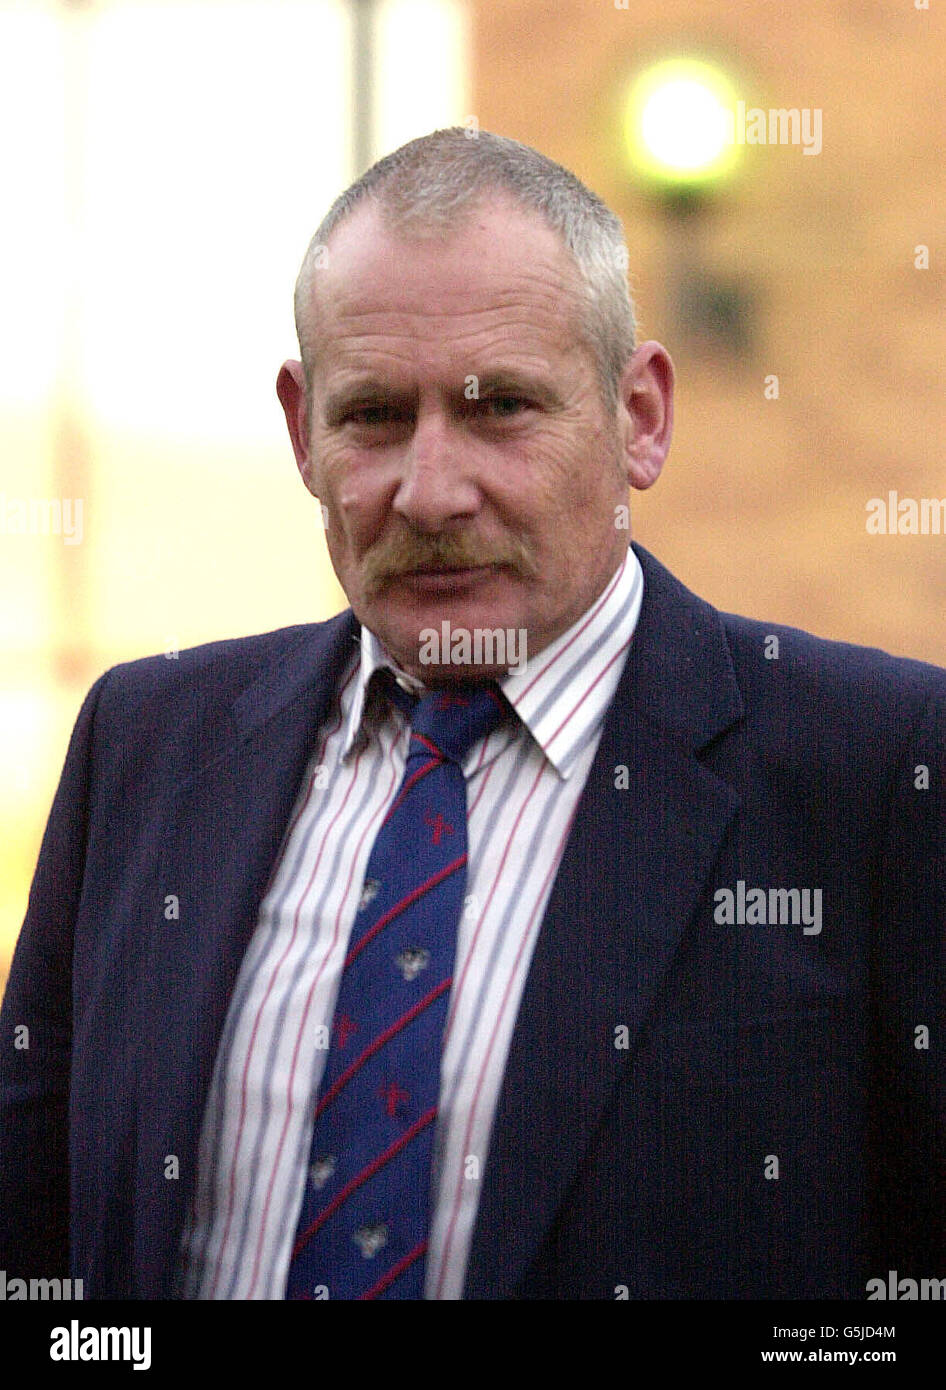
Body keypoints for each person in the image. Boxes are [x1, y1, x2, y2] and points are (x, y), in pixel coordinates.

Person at [1, 128, 943, 1301]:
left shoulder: (880, 770)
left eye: (499, 407)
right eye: (375, 418)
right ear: (302, 432)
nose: (431, 490)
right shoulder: (144, 746)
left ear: (640, 415)